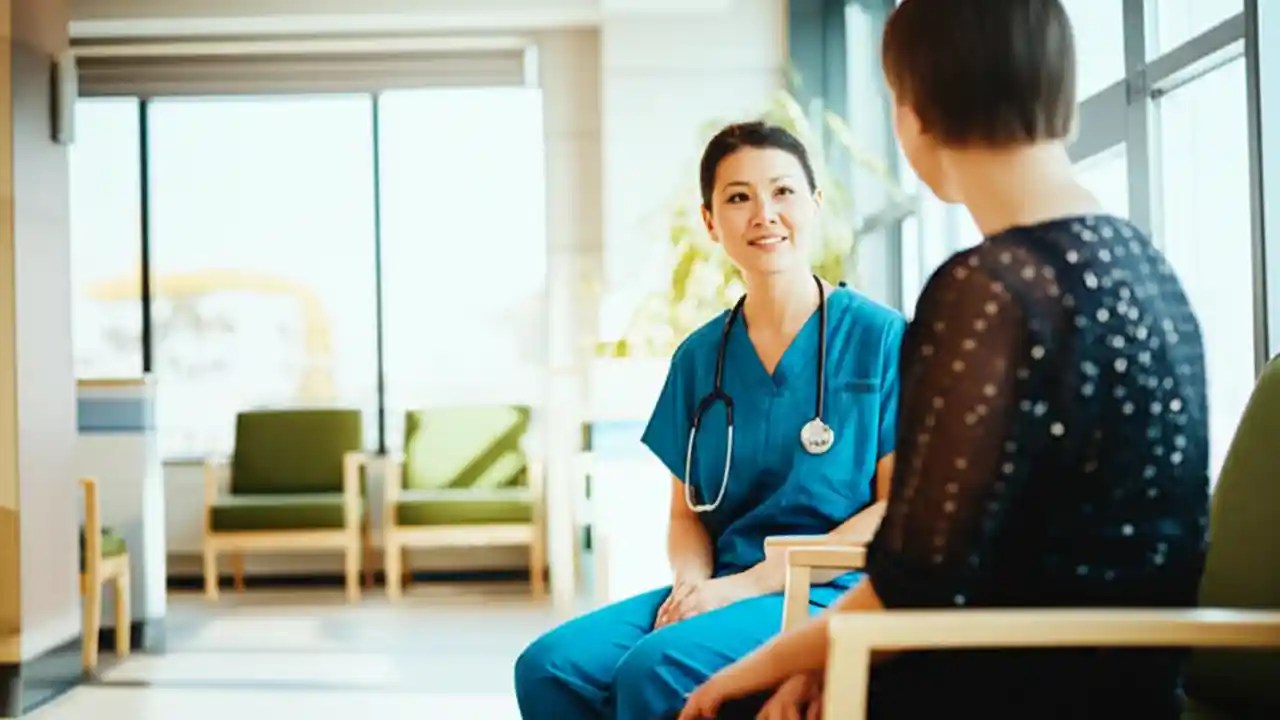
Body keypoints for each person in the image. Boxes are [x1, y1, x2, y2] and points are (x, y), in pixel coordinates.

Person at [679, 1, 1210, 718]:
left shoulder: (987, 291)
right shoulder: (1148, 269)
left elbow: (915, 582)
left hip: (1014, 686)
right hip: (1126, 686)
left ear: (911, 117)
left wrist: (757, 670)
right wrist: (826, 658)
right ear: (1063, 99)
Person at [513, 122, 907, 719]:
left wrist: (751, 584)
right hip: (727, 582)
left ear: (814, 205)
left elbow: (895, 509)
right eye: (738, 197)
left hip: (830, 588)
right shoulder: (702, 357)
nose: (764, 214)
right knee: (550, 667)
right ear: (709, 222)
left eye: (782, 192)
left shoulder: (880, 339)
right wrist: (693, 585)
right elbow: (686, 515)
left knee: (656, 668)